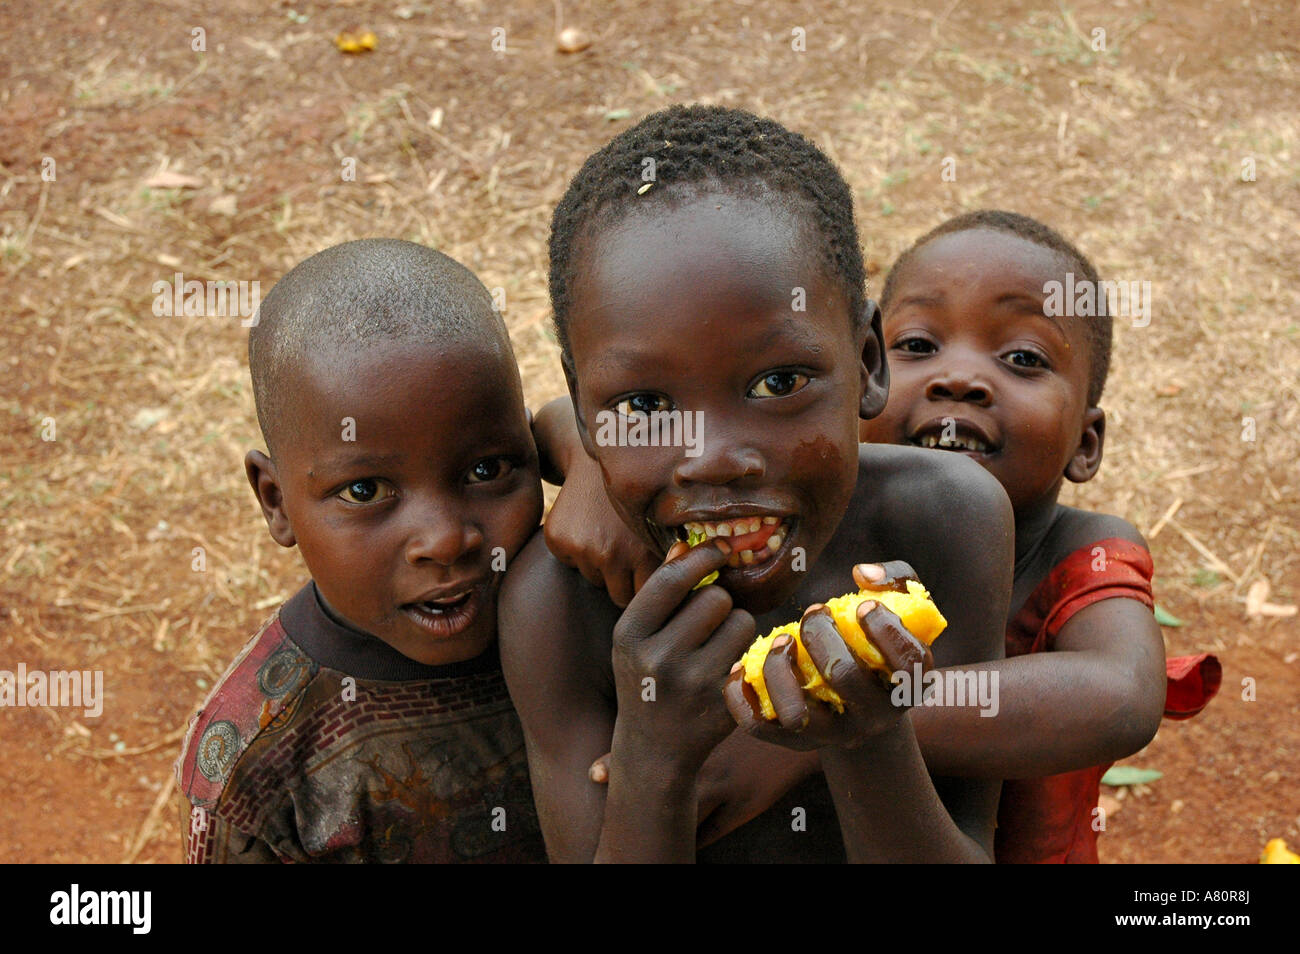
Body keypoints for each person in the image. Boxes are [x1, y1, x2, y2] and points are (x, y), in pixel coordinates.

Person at [541, 209, 1220, 863]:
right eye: (920, 346)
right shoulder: (818, 528)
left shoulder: (1082, 550)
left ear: (1088, 442)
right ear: (871, 373)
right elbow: (557, 415)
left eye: (1022, 358)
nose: (961, 379)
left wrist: (798, 727)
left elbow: (1120, 694)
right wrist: (585, 462)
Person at [500, 104, 1015, 863]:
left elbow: (970, 839)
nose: (712, 459)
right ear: (583, 411)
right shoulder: (556, 608)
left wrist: (867, 738)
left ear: (869, 362)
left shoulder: (948, 520)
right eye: (644, 406)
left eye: (779, 382)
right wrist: (654, 757)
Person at [175, 239, 547, 863]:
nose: (446, 539)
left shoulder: (598, 613)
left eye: (487, 469)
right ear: (275, 500)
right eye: (365, 490)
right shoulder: (256, 760)